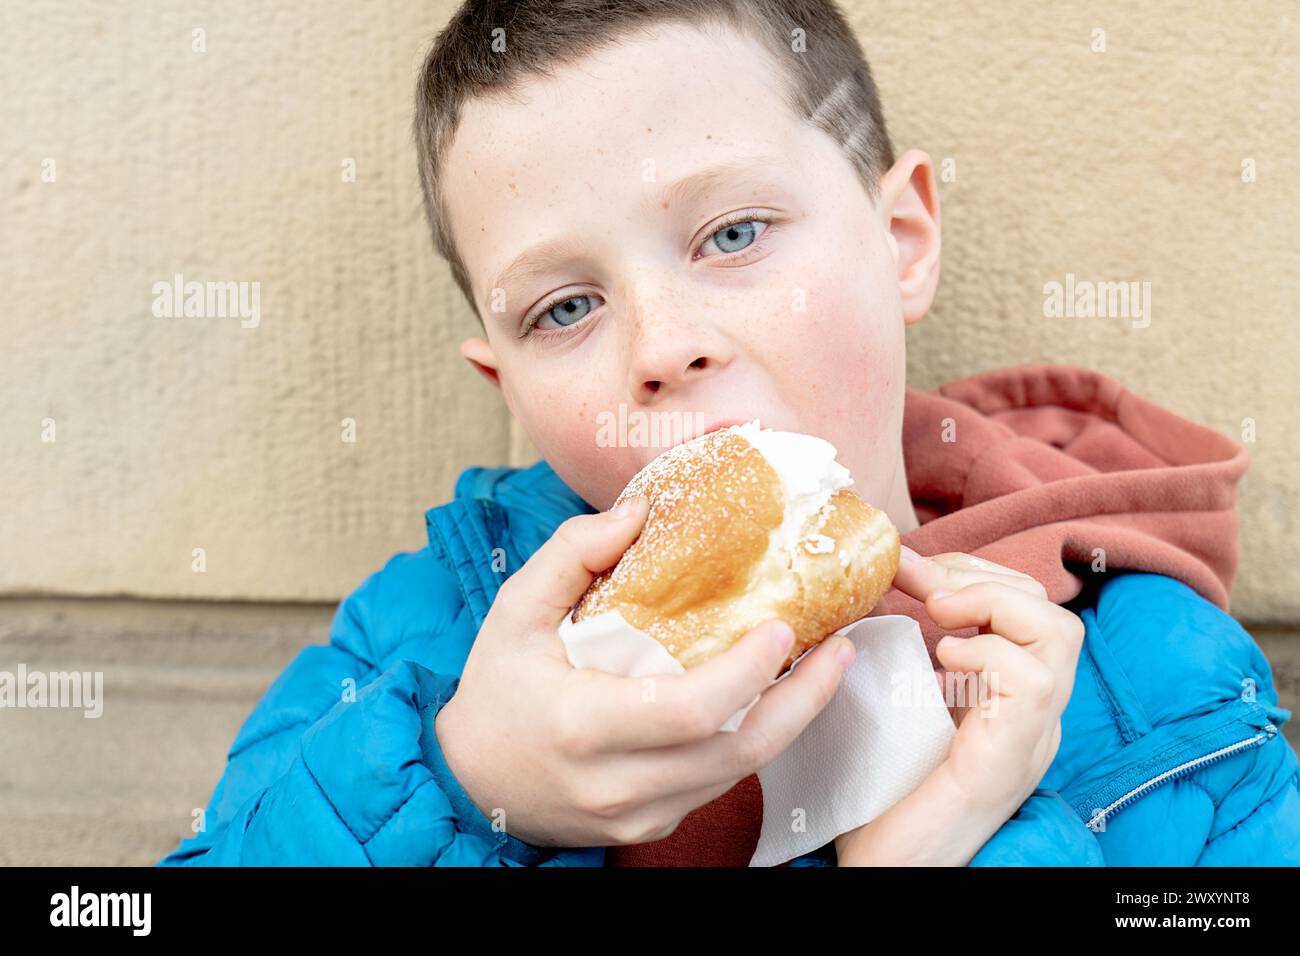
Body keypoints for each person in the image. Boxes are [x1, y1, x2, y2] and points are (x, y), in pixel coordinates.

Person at [159, 0, 1298, 866]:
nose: (660, 345)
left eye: (734, 232)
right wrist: (465, 787)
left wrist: (963, 839)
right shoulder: (417, 649)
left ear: (900, 239)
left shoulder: (1160, 680)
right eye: (565, 307)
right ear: (506, 384)